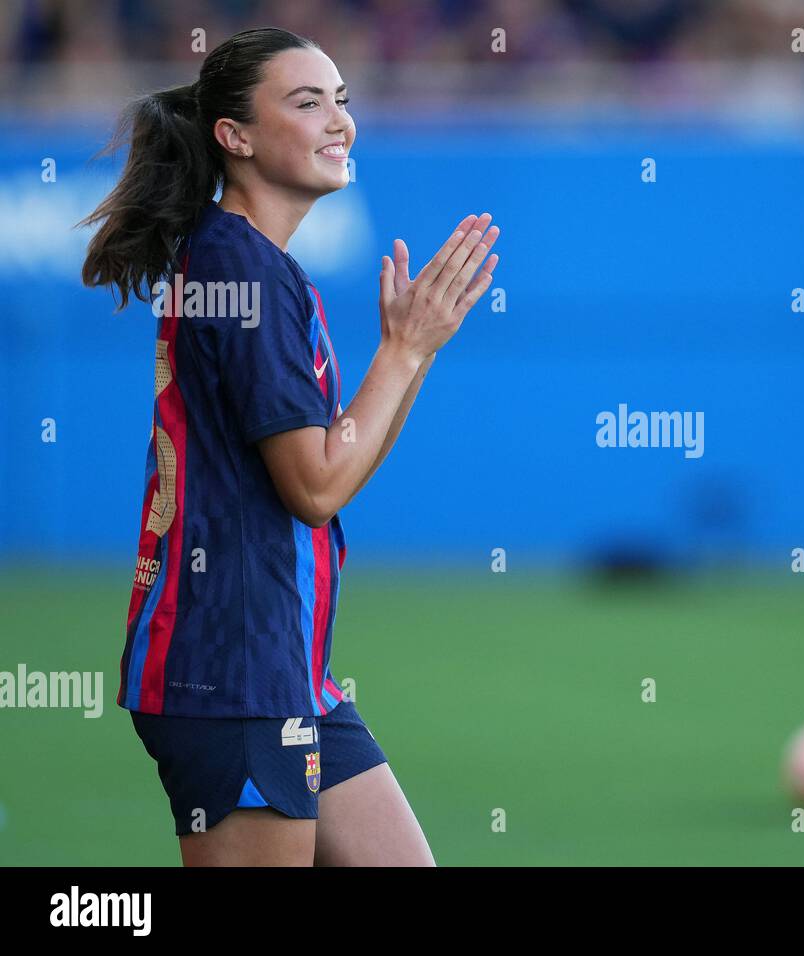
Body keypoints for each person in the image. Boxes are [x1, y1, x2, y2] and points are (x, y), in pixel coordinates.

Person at [78, 27, 500, 866]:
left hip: (282, 670)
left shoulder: (246, 262)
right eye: (307, 102)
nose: (339, 120)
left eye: (341, 99)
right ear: (233, 137)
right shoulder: (245, 271)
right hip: (229, 671)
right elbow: (314, 486)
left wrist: (413, 353)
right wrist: (404, 353)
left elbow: (334, 473)